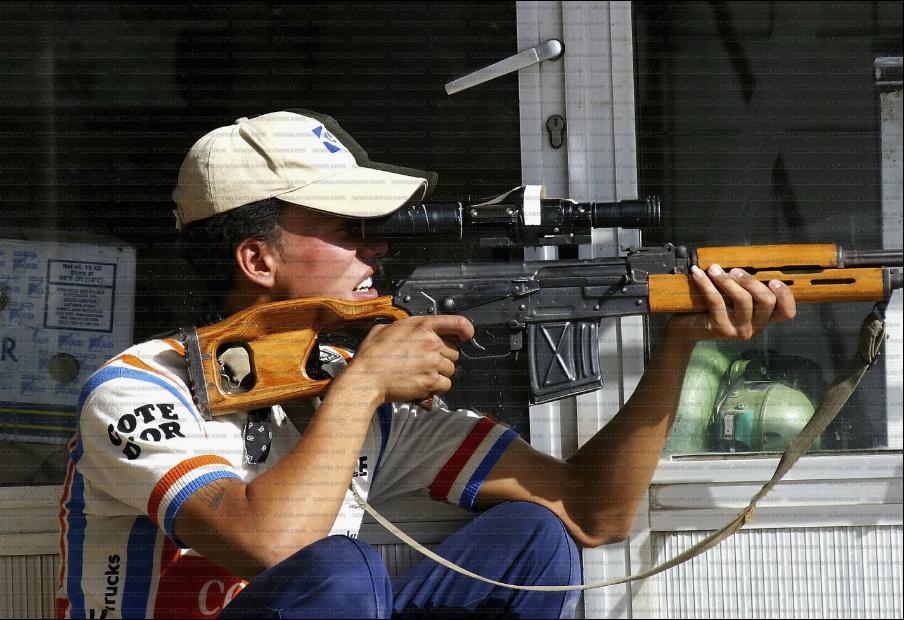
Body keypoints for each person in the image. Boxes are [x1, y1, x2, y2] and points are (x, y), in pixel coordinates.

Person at [56, 110, 796, 619]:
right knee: (341, 571)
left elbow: (591, 515)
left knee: (532, 541)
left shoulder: (359, 402)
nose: (376, 250)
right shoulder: (137, 388)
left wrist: (677, 347)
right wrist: (367, 381)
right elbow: (266, 544)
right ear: (257, 258)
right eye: (349, 231)